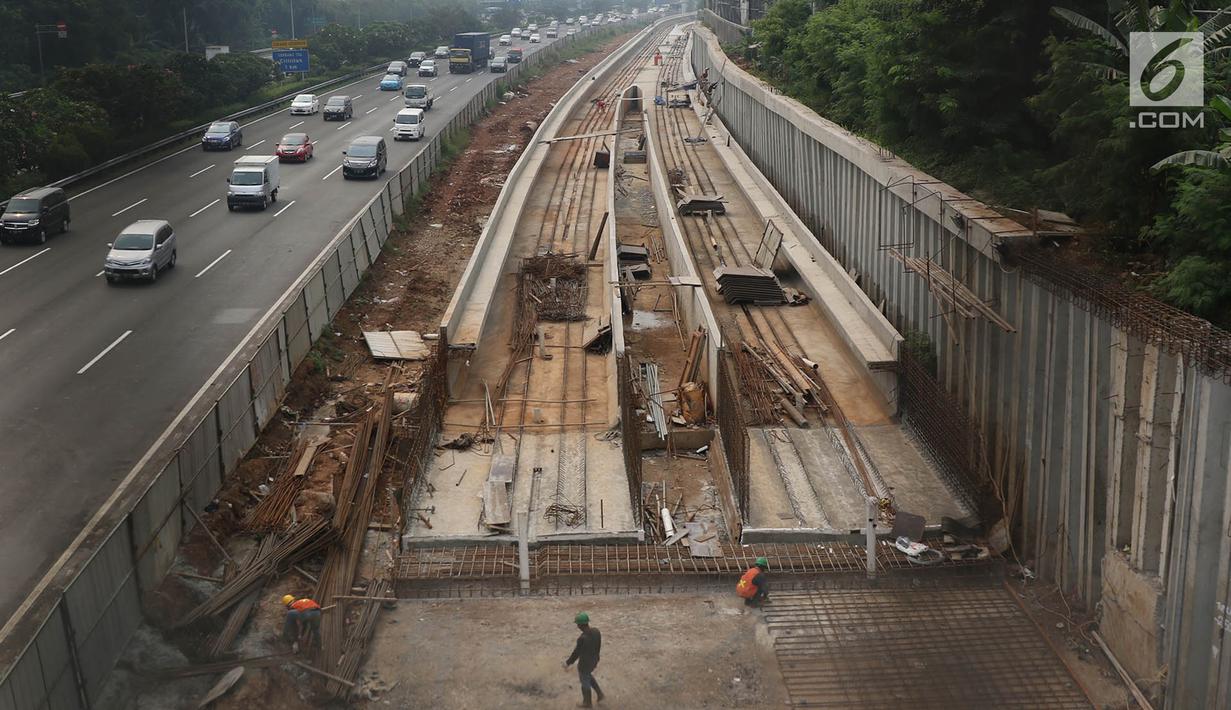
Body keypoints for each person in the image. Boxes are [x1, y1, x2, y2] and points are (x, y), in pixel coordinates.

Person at [563, 611, 604, 707]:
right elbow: (598, 645)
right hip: (595, 659)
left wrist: (568, 663)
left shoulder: (582, 638)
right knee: (588, 676)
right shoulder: (596, 631)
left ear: (580, 625)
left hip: (585, 664)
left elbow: (576, 653)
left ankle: (587, 703)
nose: (577, 626)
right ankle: (600, 694)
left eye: (577, 624)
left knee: (585, 682)